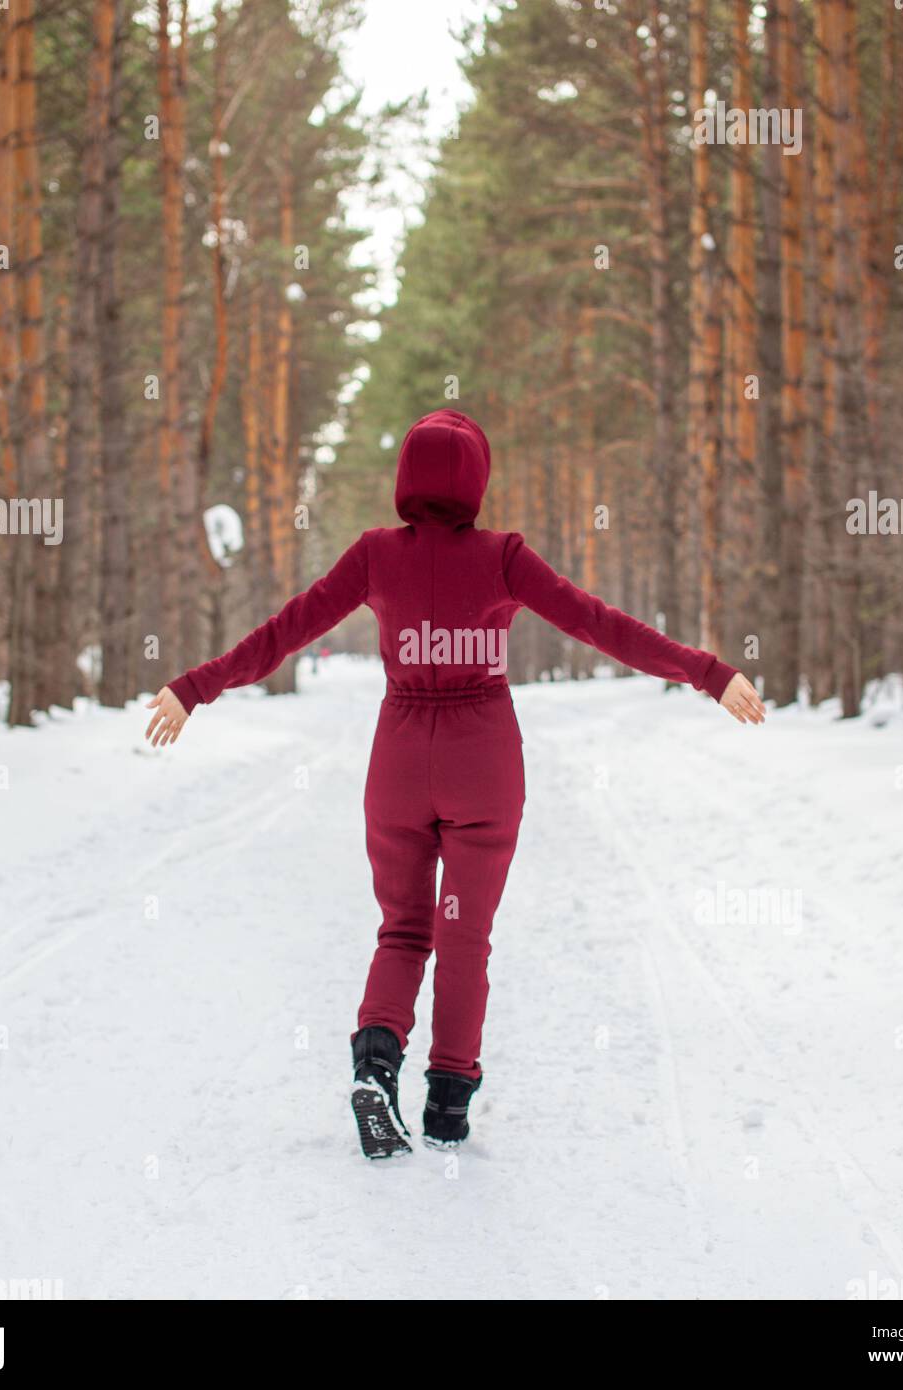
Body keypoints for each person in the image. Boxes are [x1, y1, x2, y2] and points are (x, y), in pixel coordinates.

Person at [144, 409, 765, 1159]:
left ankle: (376, 1063)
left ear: (405, 478)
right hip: (483, 763)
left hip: (401, 763)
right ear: (477, 480)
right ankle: (447, 1102)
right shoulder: (503, 556)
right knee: (464, 936)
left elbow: (284, 631)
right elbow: (603, 625)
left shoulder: (375, 556)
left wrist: (192, 688)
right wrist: (707, 671)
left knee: (404, 928)